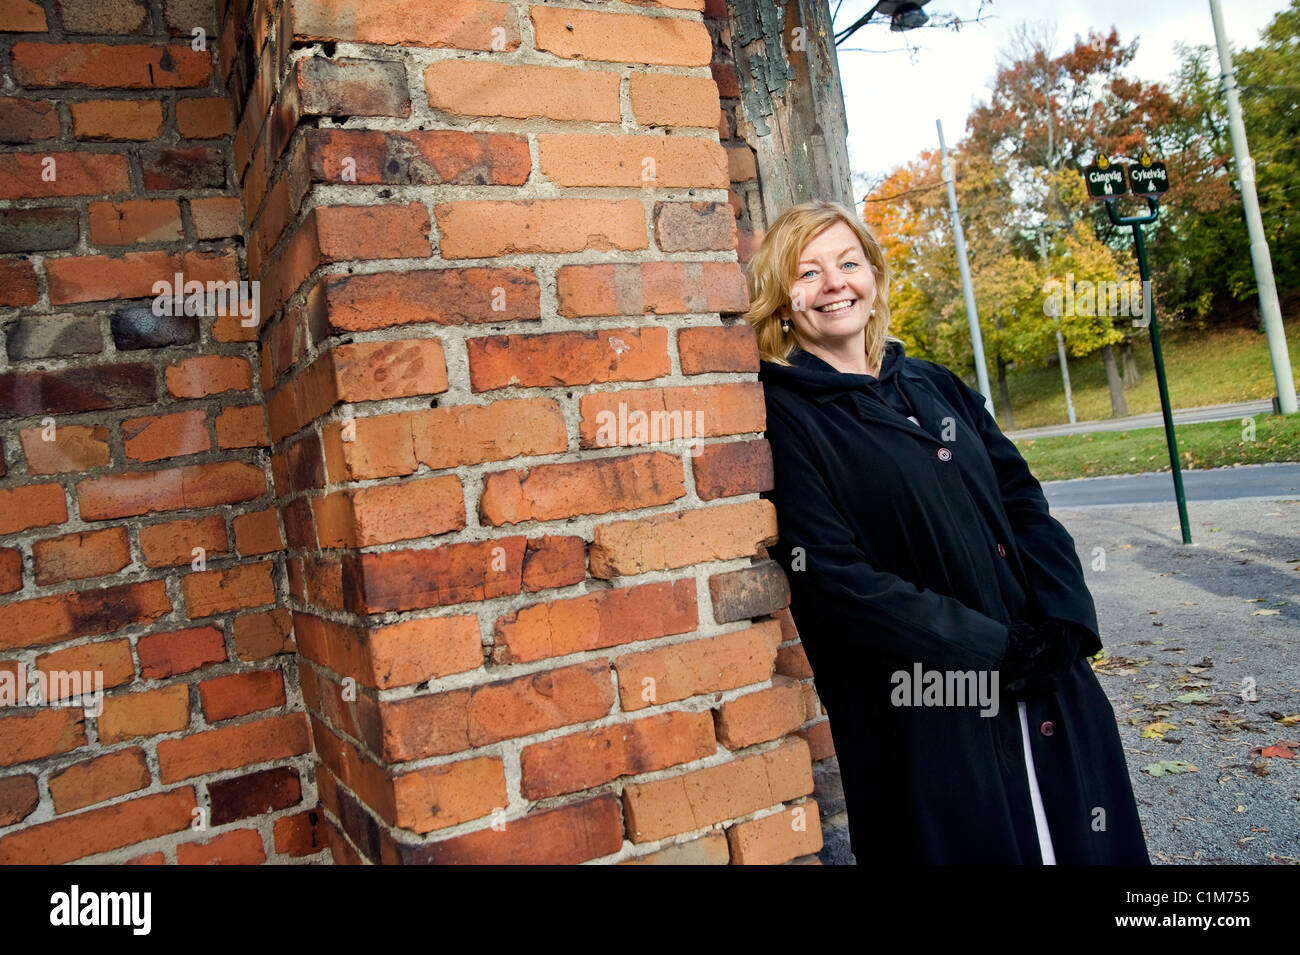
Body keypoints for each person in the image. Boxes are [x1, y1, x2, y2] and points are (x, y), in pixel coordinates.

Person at [748, 199, 1149, 864]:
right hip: (933, 704)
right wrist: (992, 650)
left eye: (849, 263)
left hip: (1046, 670)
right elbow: (835, 578)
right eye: (808, 272)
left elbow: (1023, 499)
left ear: (873, 276)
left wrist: (1063, 621)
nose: (835, 284)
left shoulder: (935, 384)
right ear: (782, 300)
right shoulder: (790, 416)